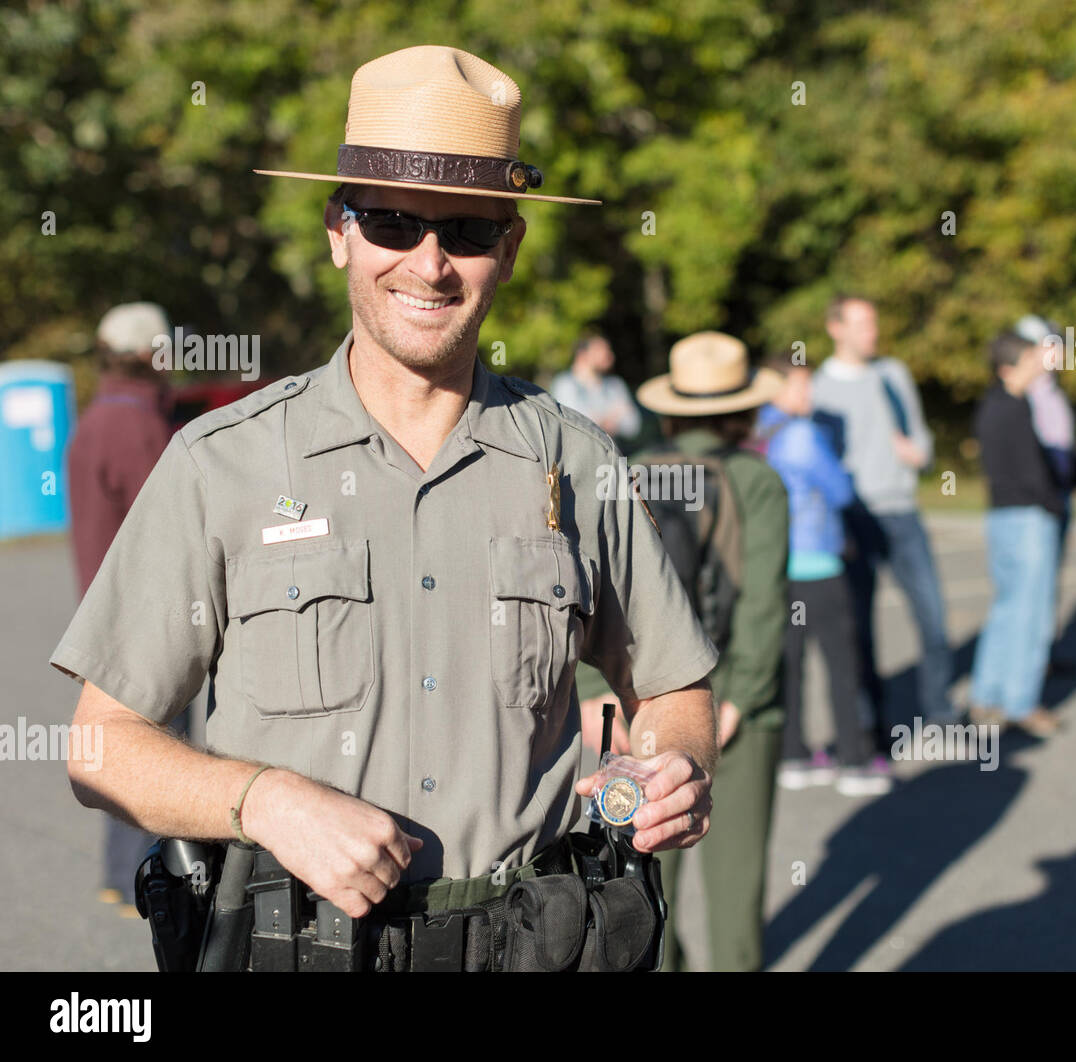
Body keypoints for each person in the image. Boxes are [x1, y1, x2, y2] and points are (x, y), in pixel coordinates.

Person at [52, 45, 720, 973]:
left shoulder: (579, 460)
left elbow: (675, 691)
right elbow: (101, 746)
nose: (430, 263)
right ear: (340, 232)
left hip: (532, 943)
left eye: (469, 233)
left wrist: (671, 766)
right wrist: (267, 801)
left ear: (510, 251)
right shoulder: (222, 463)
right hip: (300, 946)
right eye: (395, 223)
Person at [582, 331, 788, 971]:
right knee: (735, 883)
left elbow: (602, 592)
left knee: (645, 873)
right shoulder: (757, 479)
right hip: (733, 703)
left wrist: (603, 700)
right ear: (744, 408)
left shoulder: (634, 468)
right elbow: (763, 601)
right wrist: (740, 698)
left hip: (642, 697)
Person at [66, 302, 176, 911]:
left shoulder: (96, 416)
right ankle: (146, 886)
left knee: (117, 741)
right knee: (155, 749)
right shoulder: (138, 426)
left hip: (100, 610)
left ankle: (118, 876)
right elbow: (168, 527)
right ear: (147, 354)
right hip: (146, 616)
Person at [812, 295, 957, 727]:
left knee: (933, 617)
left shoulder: (893, 374)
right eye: (862, 324)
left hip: (903, 511)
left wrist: (919, 453)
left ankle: (940, 713)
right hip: (856, 517)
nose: (872, 332)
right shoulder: (821, 388)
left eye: (874, 323)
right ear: (835, 328)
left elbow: (921, 439)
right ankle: (870, 726)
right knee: (860, 626)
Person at [761, 358, 887, 794]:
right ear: (776, 388)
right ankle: (854, 760)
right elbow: (840, 490)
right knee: (841, 664)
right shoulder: (802, 433)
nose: (809, 397)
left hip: (777, 565)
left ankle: (794, 755)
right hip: (817, 560)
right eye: (800, 388)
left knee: (790, 664)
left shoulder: (758, 431)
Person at [968, 333, 1065, 737]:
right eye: (1030, 358)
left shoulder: (991, 405)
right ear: (1009, 367)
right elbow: (1031, 471)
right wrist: (1052, 504)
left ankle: (986, 694)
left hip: (1002, 516)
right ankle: (1021, 703)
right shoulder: (1014, 407)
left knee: (1006, 608)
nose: (1038, 364)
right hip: (1027, 518)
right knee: (1030, 613)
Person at [1013, 314, 1076, 672]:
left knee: (1049, 580)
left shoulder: (1053, 391)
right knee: (1030, 584)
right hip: (1040, 501)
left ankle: (1044, 651)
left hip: (1060, 495)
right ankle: (1027, 663)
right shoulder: (1023, 395)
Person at [550, 333, 642, 445]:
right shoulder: (564, 384)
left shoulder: (615, 385)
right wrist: (614, 415)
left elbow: (632, 425)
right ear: (582, 354)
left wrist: (598, 420)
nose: (609, 355)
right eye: (600, 350)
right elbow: (573, 425)